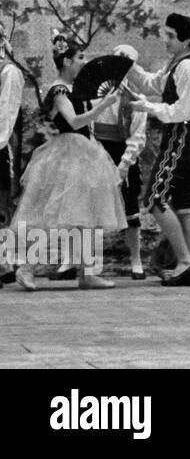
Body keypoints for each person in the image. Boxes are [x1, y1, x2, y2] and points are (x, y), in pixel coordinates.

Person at [11, 33, 126, 290]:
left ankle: (87, 272)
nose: (84, 62)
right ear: (66, 62)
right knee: (53, 216)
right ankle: (26, 268)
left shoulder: (76, 89)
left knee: (86, 214)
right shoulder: (59, 90)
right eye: (80, 57)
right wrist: (102, 105)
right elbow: (73, 122)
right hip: (66, 155)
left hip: (85, 153)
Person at [126, 12, 190, 287]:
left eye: (171, 36)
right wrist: (130, 66)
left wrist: (147, 107)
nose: (166, 40)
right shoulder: (179, 63)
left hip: (182, 135)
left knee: (154, 198)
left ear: (186, 39)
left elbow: (182, 111)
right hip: (183, 135)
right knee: (184, 202)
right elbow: (154, 84)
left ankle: (185, 260)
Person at [92, 44, 148, 279]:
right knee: (90, 206)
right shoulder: (95, 92)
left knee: (130, 208)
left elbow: (138, 136)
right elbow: (87, 124)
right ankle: (86, 261)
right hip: (97, 151)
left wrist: (124, 166)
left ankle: (136, 260)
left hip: (123, 152)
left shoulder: (136, 98)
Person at [0, 34, 27, 284]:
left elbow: (6, 114)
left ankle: (6, 262)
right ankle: (4, 263)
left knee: (2, 203)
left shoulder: (9, 72)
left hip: (1, 145)